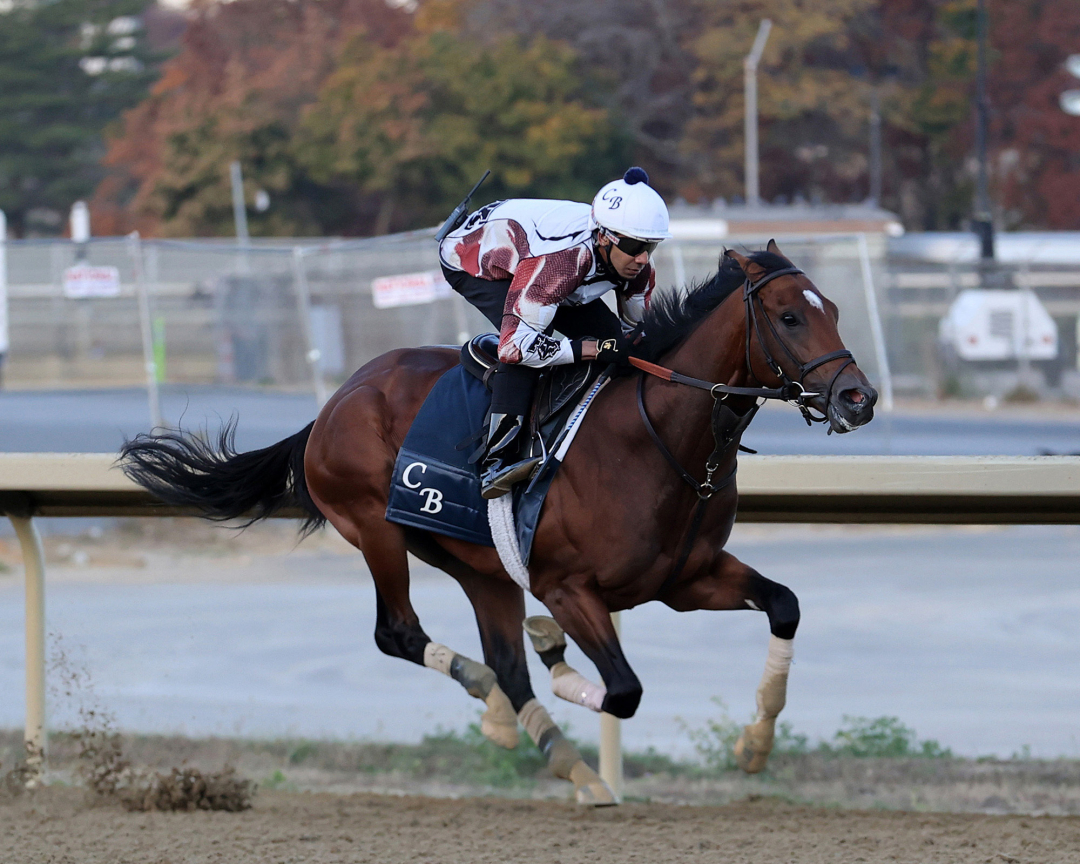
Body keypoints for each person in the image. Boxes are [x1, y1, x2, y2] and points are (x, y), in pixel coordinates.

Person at [439, 167, 671, 498]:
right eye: (635, 246)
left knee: (617, 345)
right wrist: (589, 350)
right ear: (604, 236)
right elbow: (515, 348)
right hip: (476, 262)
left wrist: (617, 348)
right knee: (529, 349)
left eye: (651, 246)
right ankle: (497, 458)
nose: (642, 258)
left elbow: (635, 338)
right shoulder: (562, 263)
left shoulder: (636, 266)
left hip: (551, 268)